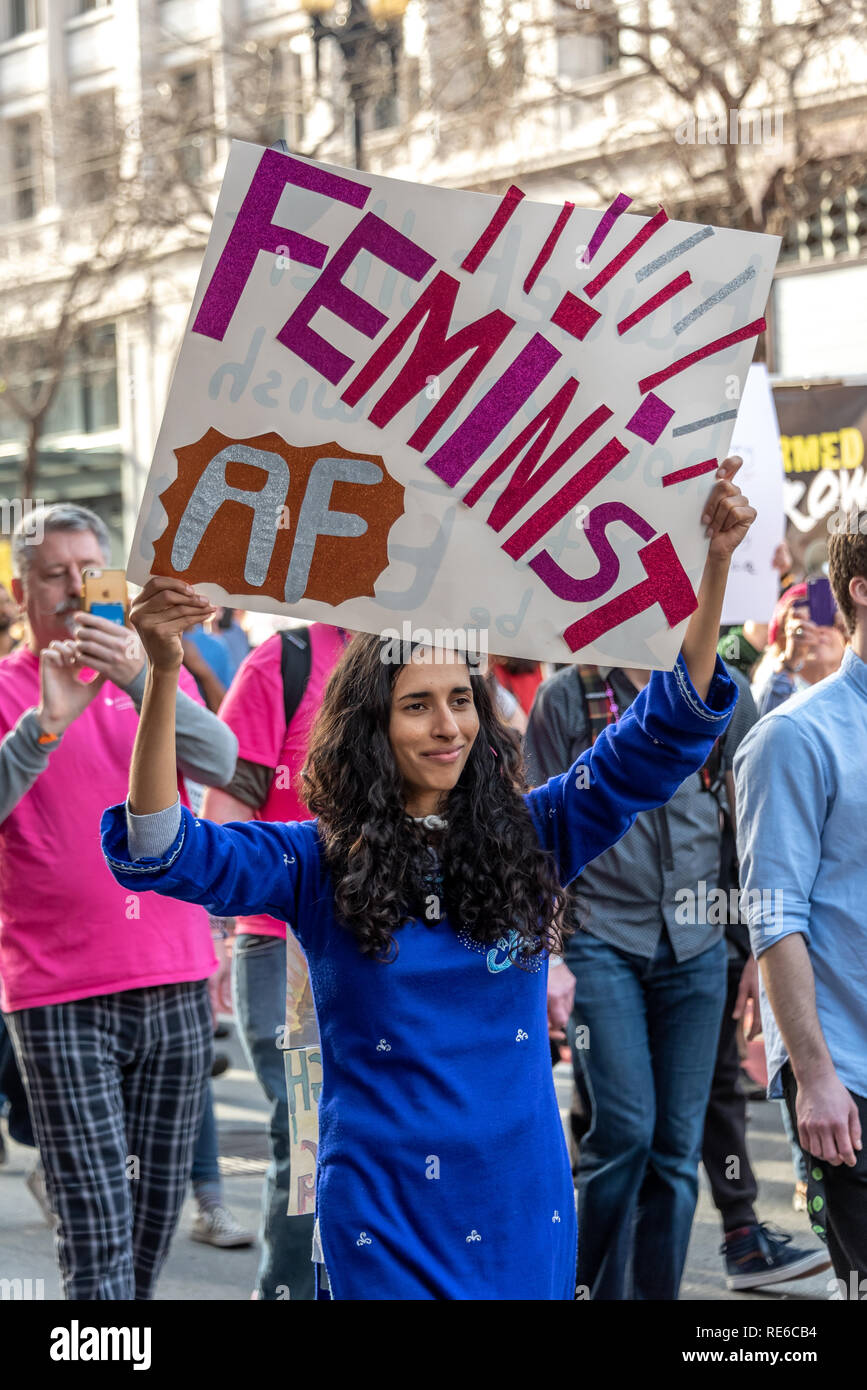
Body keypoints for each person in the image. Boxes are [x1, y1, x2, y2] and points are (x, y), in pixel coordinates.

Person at [100, 460, 751, 1301]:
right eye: (417, 705)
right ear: (371, 727)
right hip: (382, 1217)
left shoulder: (538, 832)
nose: (448, 726)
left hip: (520, 1207)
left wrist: (714, 564)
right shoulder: (310, 862)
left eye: (460, 698)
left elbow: (663, 735)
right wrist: (161, 670)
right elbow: (163, 848)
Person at [0, 503, 238, 1299]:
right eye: (54, 573)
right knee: (95, 1230)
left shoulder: (146, 670)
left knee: (148, 1228)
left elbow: (222, 756)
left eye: (88, 570)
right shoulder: (8, 690)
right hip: (58, 993)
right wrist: (42, 727)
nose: (74, 587)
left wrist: (142, 676)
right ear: (21, 589)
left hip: (172, 976)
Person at [734, 520, 867, 1298]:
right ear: (859, 588)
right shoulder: (793, 736)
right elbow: (772, 914)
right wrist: (813, 1076)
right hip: (847, 1077)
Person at [201, 621, 351, 1300]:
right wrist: (216, 932)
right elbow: (226, 808)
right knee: (306, 1138)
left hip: (386, 941)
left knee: (367, 1140)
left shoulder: (432, 651)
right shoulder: (284, 660)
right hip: (280, 942)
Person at [750, 582, 845, 717]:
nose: (818, 629)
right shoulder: (762, 688)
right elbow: (766, 729)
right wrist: (790, 662)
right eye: (806, 620)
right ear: (784, 636)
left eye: (827, 617)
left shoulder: (857, 690)